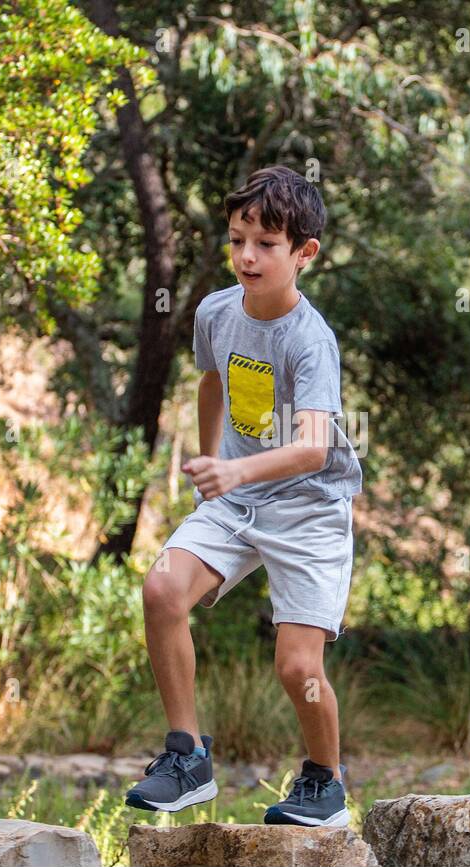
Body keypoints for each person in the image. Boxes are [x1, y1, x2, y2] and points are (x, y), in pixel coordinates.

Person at [125, 166, 362, 826]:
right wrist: (210, 463)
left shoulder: (310, 340)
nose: (248, 257)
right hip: (234, 498)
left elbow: (315, 446)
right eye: (237, 241)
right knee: (163, 590)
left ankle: (325, 783)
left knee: (296, 667)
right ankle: (187, 757)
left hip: (309, 507)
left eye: (266, 245)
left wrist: (235, 475)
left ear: (305, 253)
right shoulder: (216, 311)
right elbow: (211, 380)